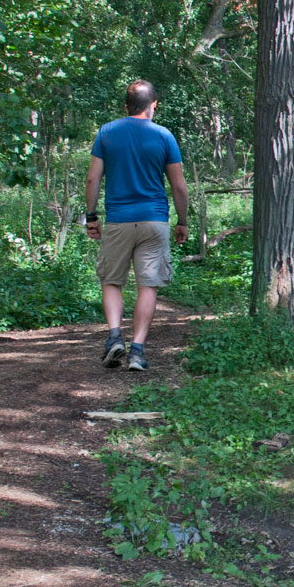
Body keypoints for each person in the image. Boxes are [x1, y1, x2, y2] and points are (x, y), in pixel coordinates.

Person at [85, 80, 189, 370]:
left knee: (111, 280)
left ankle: (115, 337)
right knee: (148, 285)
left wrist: (91, 216)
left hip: (118, 220)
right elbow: (179, 187)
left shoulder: (107, 132)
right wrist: (182, 221)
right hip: (154, 220)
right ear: (153, 104)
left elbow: (93, 179)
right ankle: (138, 351)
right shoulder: (164, 136)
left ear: (125, 106)